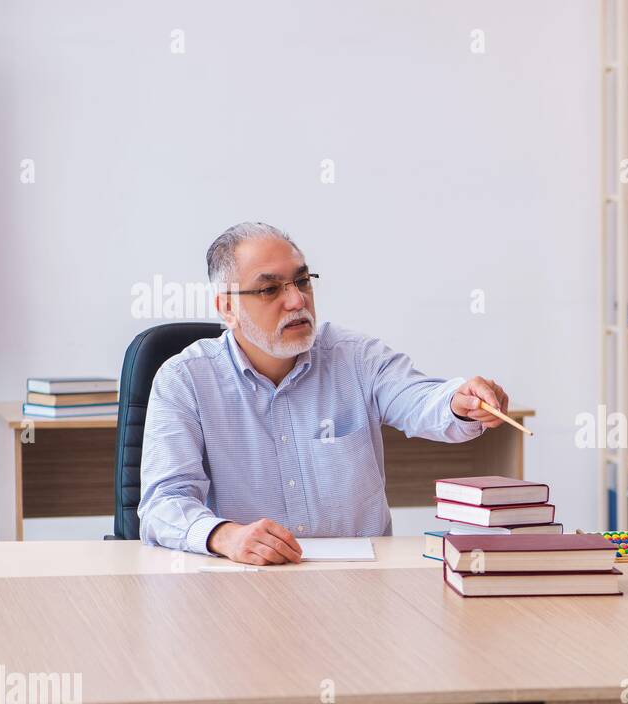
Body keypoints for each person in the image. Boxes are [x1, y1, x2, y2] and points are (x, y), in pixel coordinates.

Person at [139, 221, 510, 565]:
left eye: (302, 282)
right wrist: (225, 536)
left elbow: (420, 399)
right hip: (246, 581)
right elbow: (162, 504)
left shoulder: (356, 357)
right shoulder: (184, 379)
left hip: (358, 586)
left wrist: (459, 403)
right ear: (227, 307)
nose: (297, 301)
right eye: (270, 289)